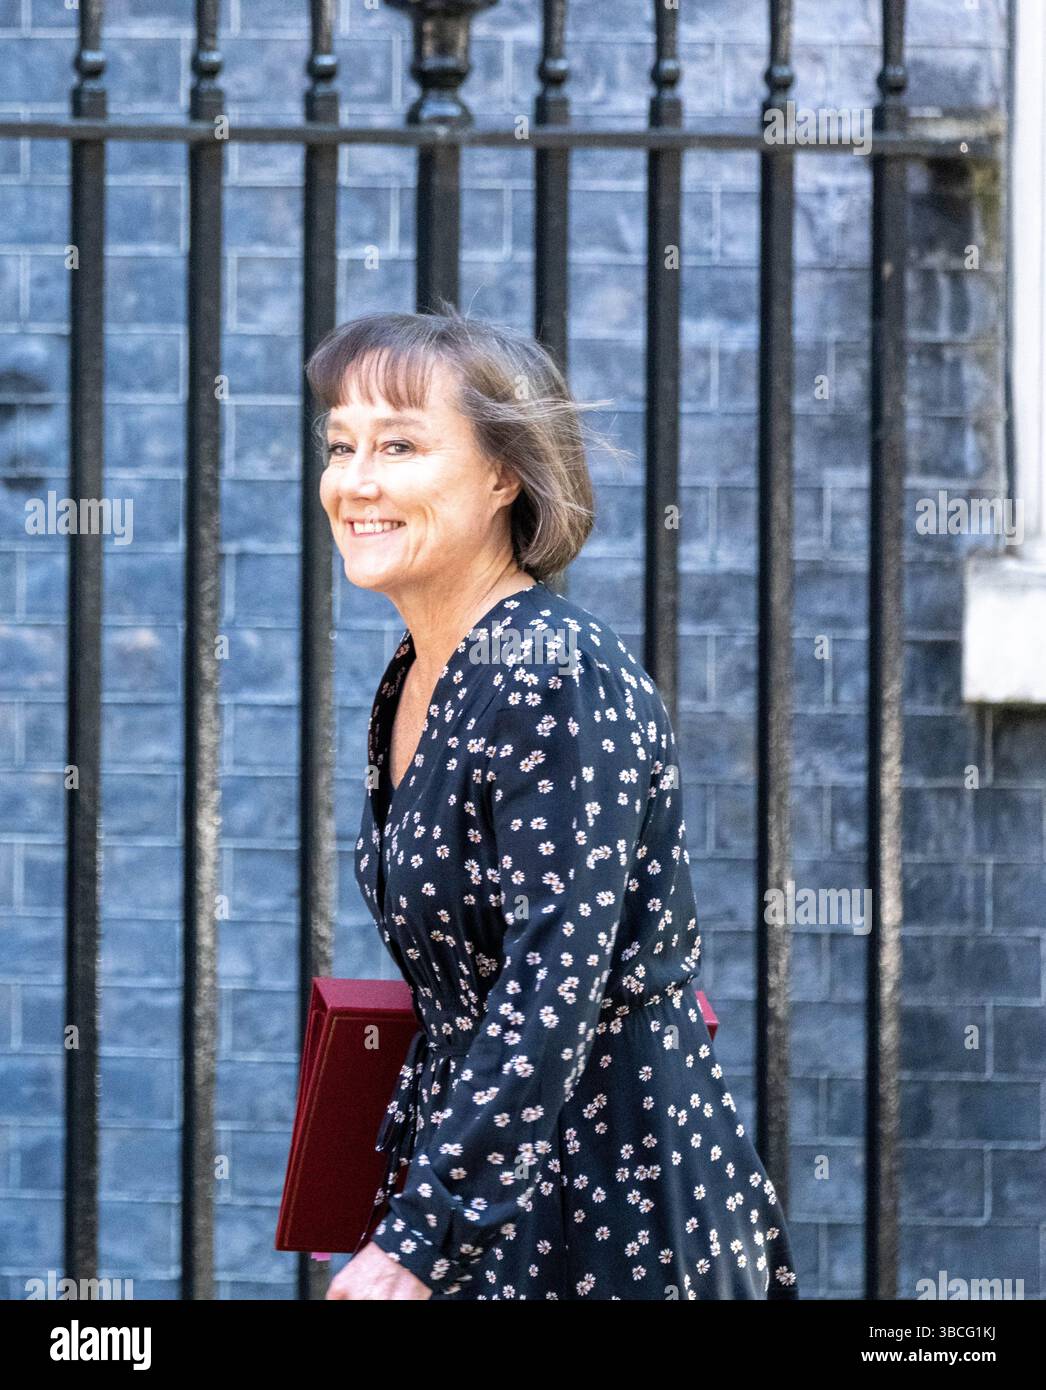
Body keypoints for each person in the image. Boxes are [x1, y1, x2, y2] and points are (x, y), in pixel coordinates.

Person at [309, 308, 800, 1301]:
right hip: (495, 1179)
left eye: (398, 444)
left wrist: (419, 1236)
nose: (354, 480)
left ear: (504, 476)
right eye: (340, 444)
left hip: (604, 1188)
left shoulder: (552, 672)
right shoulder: (422, 670)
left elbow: (552, 982)